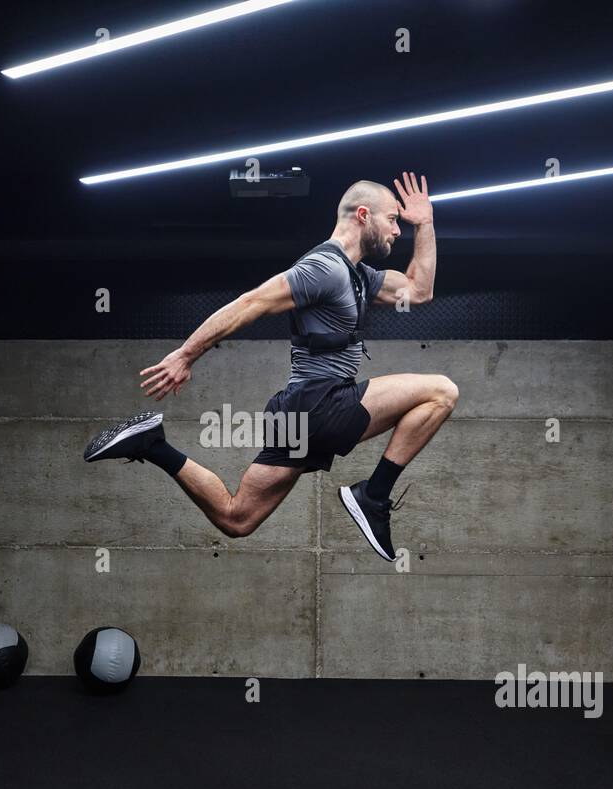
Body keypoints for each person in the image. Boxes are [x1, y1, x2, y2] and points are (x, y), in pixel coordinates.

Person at [83, 172, 456, 561]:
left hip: (298, 414)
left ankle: (152, 445)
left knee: (237, 517)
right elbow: (251, 303)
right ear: (363, 215)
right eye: (393, 220)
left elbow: (419, 290)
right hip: (321, 402)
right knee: (442, 391)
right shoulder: (324, 268)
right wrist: (186, 354)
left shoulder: (359, 276)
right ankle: (374, 496)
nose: (399, 231)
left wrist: (425, 223)